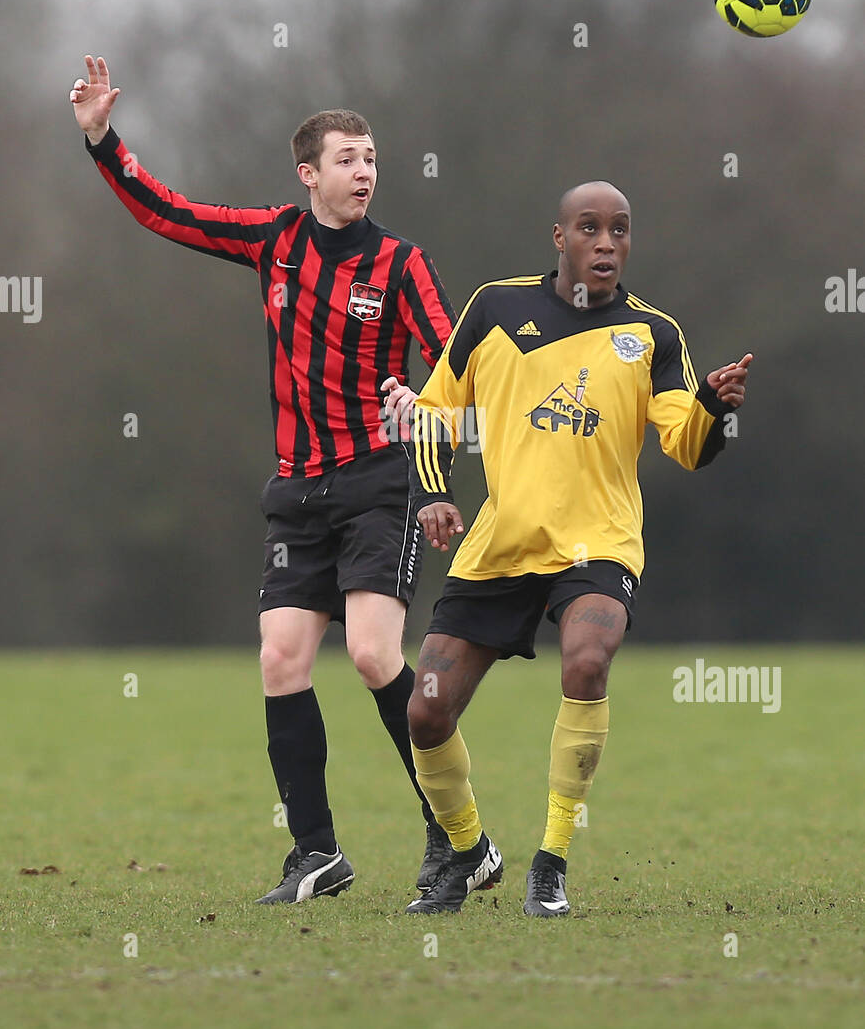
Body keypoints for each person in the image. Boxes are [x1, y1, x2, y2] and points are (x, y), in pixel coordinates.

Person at [69, 54, 457, 904]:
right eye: (348, 160)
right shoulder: (273, 240)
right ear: (308, 173)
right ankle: (315, 853)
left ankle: (452, 836)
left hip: (378, 485)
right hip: (298, 492)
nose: (365, 173)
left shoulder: (400, 263)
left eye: (372, 159)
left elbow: (459, 365)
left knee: (369, 653)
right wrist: (104, 140)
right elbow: (167, 213)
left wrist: (425, 418)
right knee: (281, 661)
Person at [402, 180, 753, 915]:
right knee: (426, 710)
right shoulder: (494, 307)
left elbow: (687, 444)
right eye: (589, 228)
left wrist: (714, 407)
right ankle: (469, 851)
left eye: (620, 230)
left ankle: (551, 862)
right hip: (503, 542)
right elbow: (436, 408)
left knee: (589, 660)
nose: (606, 243)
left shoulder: (654, 334)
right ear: (558, 238)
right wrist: (435, 491)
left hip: (599, 541)